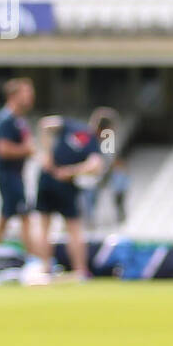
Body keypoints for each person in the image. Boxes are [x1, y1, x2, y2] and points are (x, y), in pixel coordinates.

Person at [31, 107, 113, 279]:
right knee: (74, 229)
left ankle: (44, 268)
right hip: (65, 185)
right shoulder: (93, 143)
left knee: (44, 226)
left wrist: (46, 153)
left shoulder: (71, 125)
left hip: (46, 177)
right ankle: (80, 270)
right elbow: (95, 166)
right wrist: (71, 172)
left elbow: (45, 124)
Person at [0, 78, 36, 247]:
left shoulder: (19, 120)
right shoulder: (6, 120)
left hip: (17, 175)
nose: (31, 97)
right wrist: (27, 150)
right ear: (13, 95)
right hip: (9, 176)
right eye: (26, 93)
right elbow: (3, 150)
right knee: (20, 217)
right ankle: (35, 258)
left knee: (11, 216)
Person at [109, 156, 130, 224]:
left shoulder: (123, 173)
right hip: (116, 192)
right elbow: (112, 182)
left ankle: (122, 216)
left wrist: (125, 189)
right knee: (117, 205)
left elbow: (126, 182)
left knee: (121, 205)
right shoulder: (114, 173)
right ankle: (119, 216)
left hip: (121, 191)